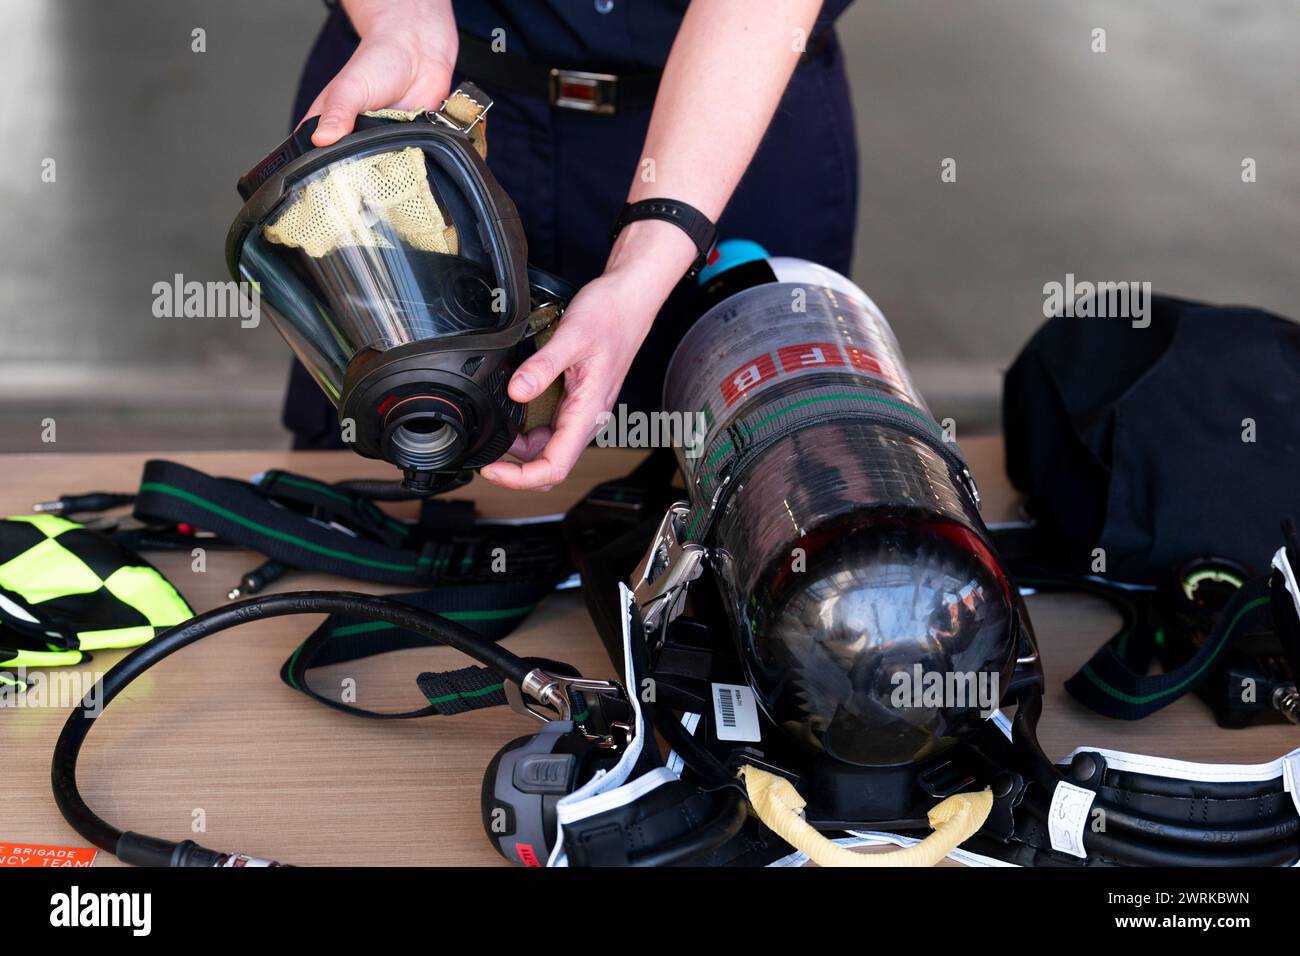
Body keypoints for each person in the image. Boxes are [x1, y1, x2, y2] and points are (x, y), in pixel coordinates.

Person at [284, 0, 858, 490]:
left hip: (728, 116)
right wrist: (399, 25)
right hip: (425, 108)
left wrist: (646, 265)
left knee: (762, 500)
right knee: (377, 495)